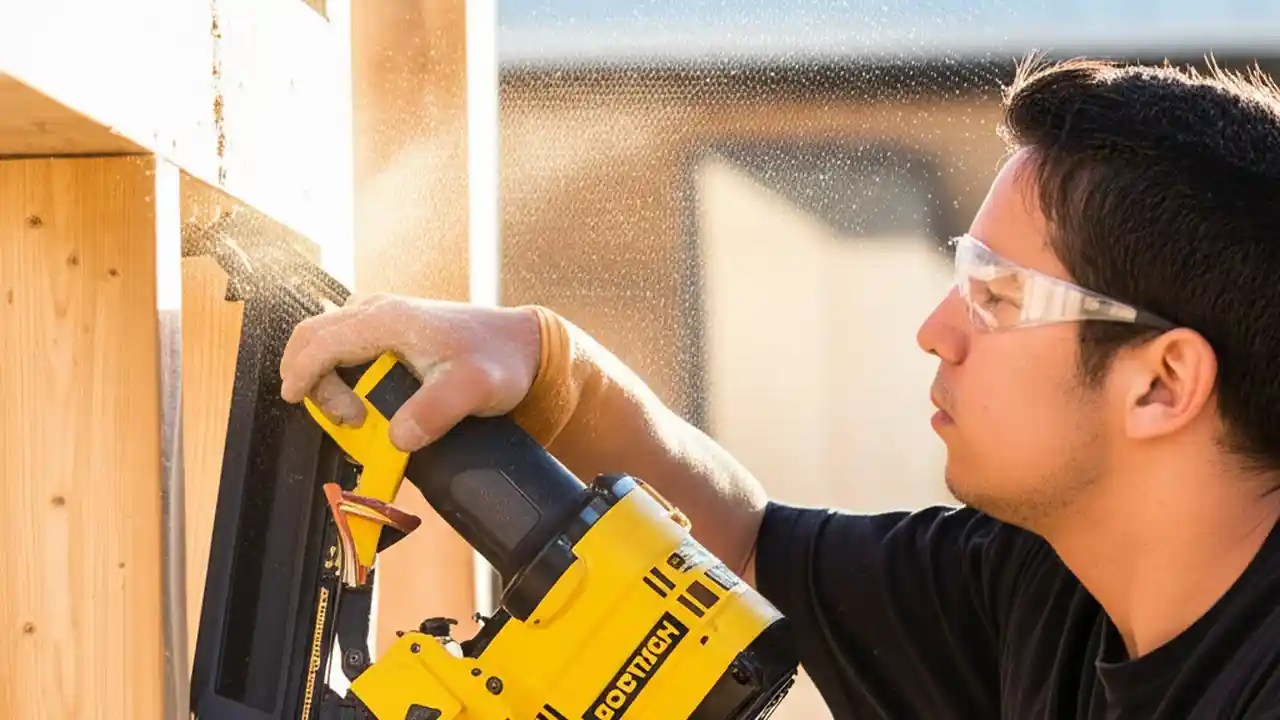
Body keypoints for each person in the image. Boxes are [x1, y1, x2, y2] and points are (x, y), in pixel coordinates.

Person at [279, 56, 1280, 718]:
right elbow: (750, 552)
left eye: (997, 296)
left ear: (1160, 383)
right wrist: (547, 366)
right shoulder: (1041, 591)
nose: (936, 330)